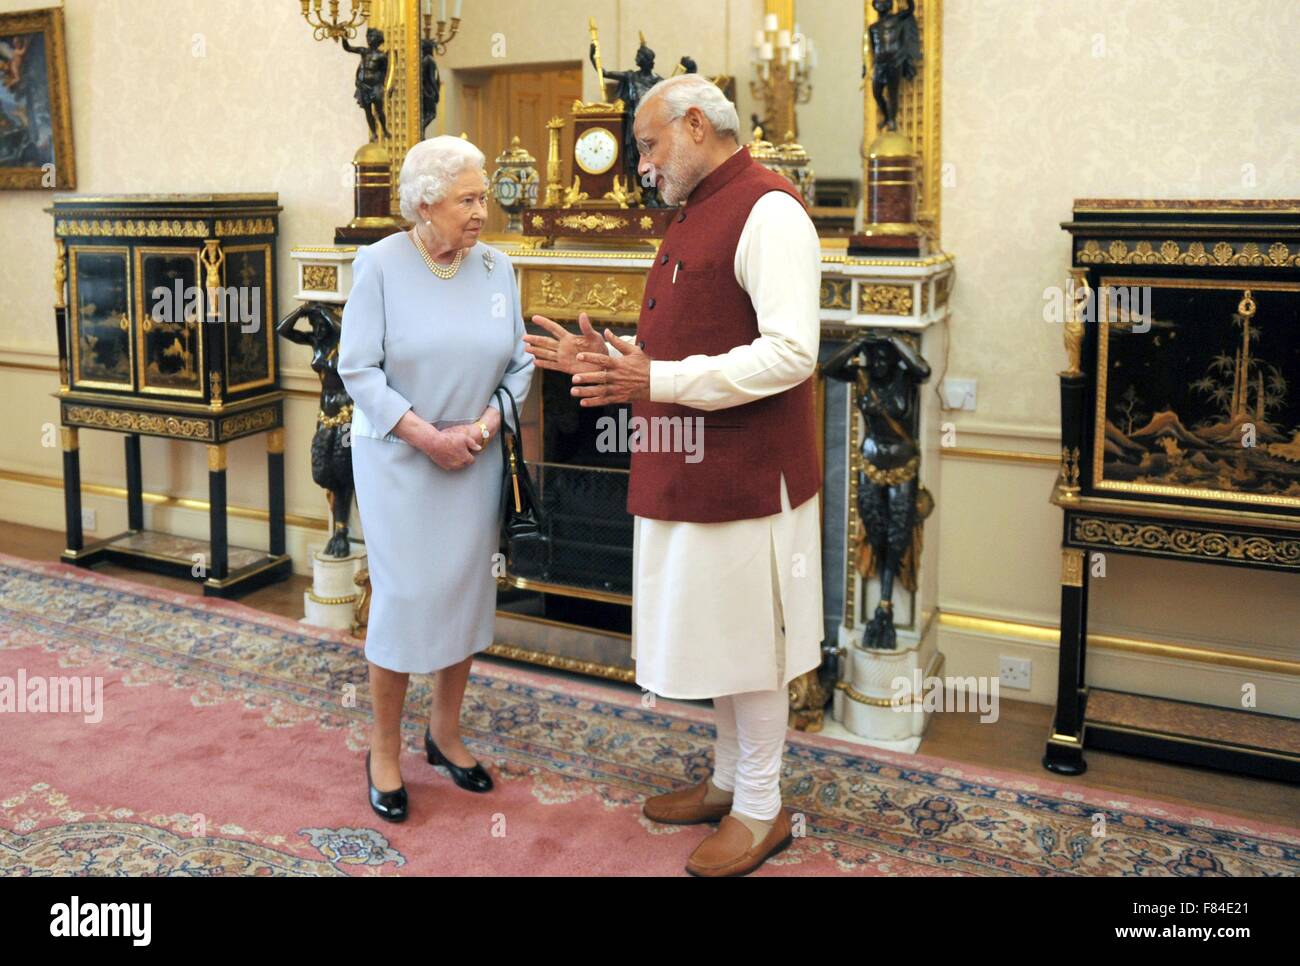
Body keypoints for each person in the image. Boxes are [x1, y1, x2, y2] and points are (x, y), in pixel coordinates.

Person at [525, 74, 823, 875]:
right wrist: (611, 363)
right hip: (691, 469)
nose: (642, 167)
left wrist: (652, 382)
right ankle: (729, 782)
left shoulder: (770, 210)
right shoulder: (696, 209)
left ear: (698, 124)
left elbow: (793, 352)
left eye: (650, 146)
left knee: (752, 646)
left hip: (748, 480)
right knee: (719, 636)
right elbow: (688, 340)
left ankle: (763, 809)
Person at [338, 135, 534, 822]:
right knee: (403, 598)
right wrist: (425, 435)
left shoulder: (495, 269)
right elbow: (357, 369)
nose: (482, 211)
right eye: (468, 199)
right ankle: (383, 748)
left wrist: (481, 429)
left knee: (462, 592)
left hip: (473, 458)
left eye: (483, 197)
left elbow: (520, 366)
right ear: (425, 202)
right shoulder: (382, 265)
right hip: (399, 459)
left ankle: (445, 733)